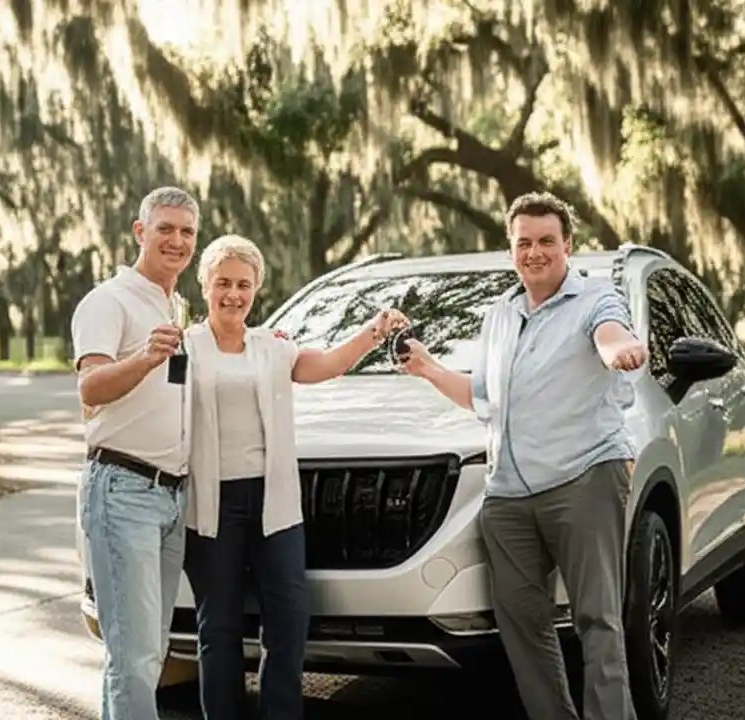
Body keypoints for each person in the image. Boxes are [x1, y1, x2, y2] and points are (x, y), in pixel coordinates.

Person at [398, 192, 648, 720]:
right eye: (524, 242)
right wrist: (427, 367)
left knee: (596, 619)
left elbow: (610, 335)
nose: (535, 252)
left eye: (546, 242)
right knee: (522, 626)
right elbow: (484, 397)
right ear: (511, 249)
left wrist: (617, 349)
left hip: (584, 477)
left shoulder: (596, 299)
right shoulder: (501, 313)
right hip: (508, 495)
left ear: (568, 246)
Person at [181, 234, 409, 720]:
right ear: (205, 286)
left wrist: (373, 331)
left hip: (274, 502)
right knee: (217, 627)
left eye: (244, 284)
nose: (233, 294)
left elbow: (326, 366)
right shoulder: (185, 348)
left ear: (256, 288)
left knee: (287, 620)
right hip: (211, 504)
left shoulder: (273, 347)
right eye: (223, 282)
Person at [70, 186, 201, 720]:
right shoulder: (110, 300)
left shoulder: (173, 304)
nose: (176, 240)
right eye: (165, 228)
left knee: (147, 654)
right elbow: (91, 387)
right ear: (139, 231)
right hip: (123, 490)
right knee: (134, 655)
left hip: (171, 497)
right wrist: (147, 358)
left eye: (187, 231)